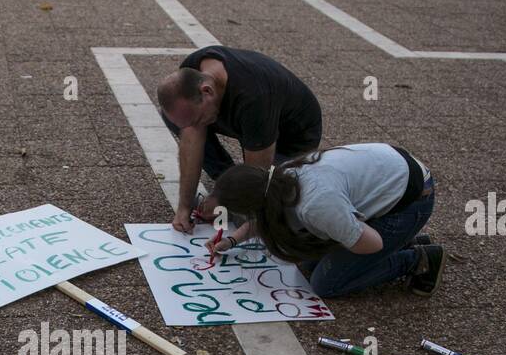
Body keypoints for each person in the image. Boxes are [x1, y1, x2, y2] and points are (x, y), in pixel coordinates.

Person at [204, 143, 444, 298]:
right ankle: (402, 241)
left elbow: (373, 244)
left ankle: (419, 259)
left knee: (326, 284)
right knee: (309, 263)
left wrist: (343, 234)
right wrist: (231, 241)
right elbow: (265, 218)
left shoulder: (315, 205)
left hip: (412, 201)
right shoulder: (279, 179)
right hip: (396, 172)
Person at [156, 45, 321, 235]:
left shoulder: (253, 98)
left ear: (207, 91)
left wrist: (223, 200)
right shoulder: (193, 70)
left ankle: (233, 186)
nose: (194, 127)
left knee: (270, 194)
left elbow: (256, 174)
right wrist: (184, 207)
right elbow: (191, 140)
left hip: (295, 136)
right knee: (183, 121)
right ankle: (225, 176)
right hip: (250, 118)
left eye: (198, 119)